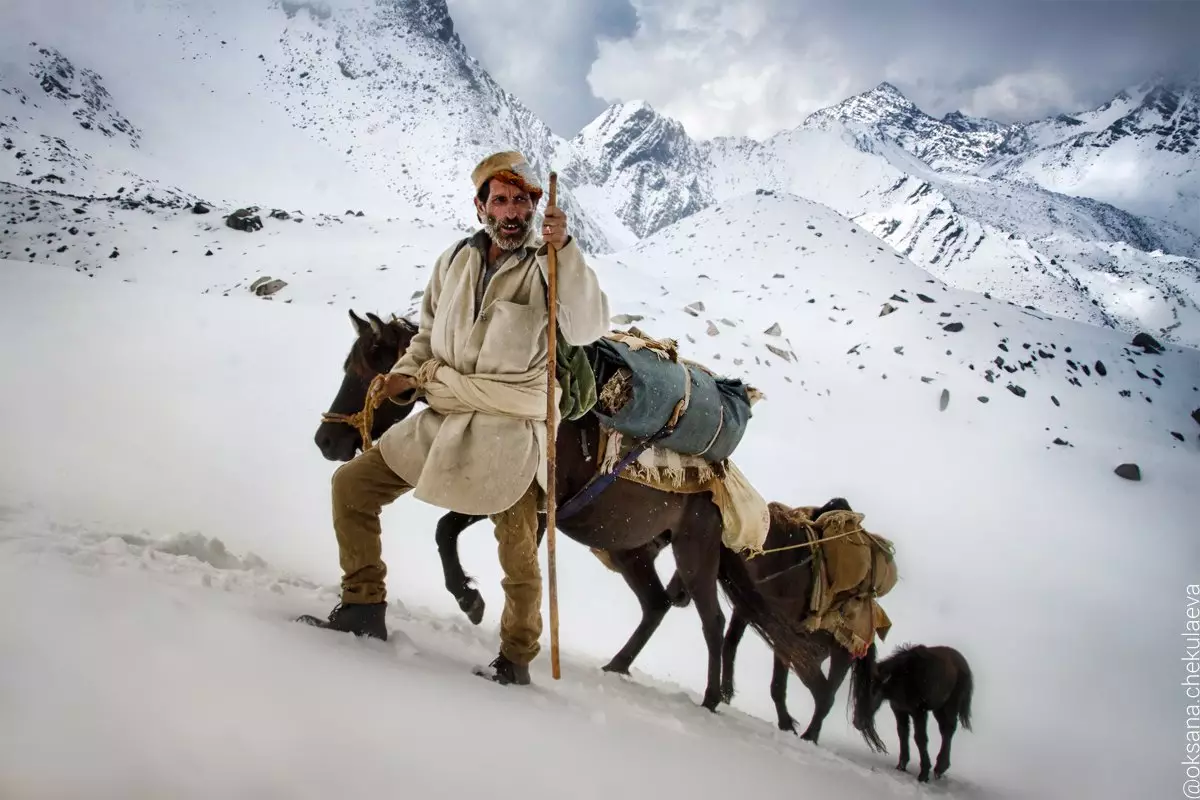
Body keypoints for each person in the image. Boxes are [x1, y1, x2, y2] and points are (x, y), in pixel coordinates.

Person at [298, 151, 610, 686]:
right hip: (444, 417)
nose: (510, 211)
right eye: (500, 200)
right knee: (352, 486)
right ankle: (362, 607)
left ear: (535, 206)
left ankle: (514, 660)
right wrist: (403, 374)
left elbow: (586, 328)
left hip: (510, 429)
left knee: (518, 553)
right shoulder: (454, 261)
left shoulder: (549, 264)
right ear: (481, 206)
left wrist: (569, 252)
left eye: (521, 200)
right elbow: (424, 337)